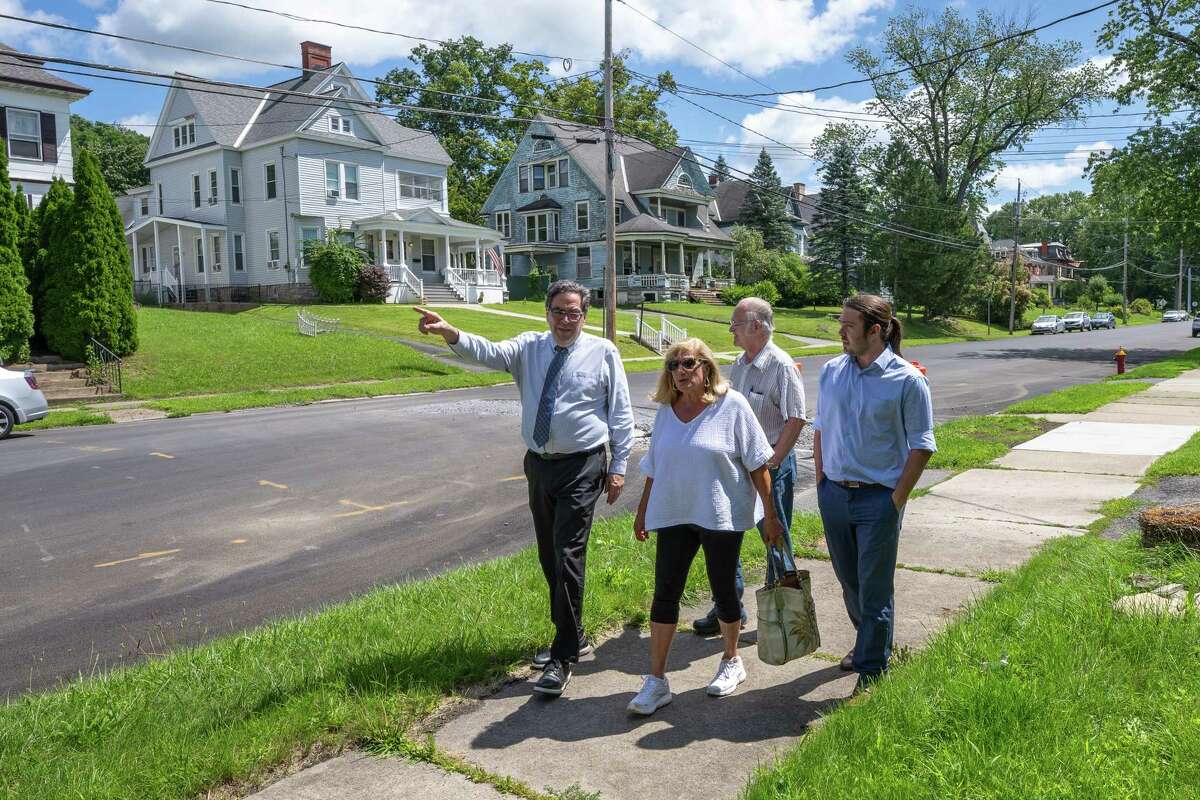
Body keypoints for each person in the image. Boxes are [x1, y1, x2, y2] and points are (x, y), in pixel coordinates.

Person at [413, 281, 634, 698]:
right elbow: (489, 352)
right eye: (558, 311)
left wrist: (619, 467)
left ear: (584, 316)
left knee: (568, 555)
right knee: (550, 556)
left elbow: (620, 413)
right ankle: (576, 633)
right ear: (547, 313)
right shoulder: (528, 348)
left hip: (583, 464)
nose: (565, 320)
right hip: (539, 465)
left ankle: (563, 655)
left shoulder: (602, 352)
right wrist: (451, 332)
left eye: (573, 313)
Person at [628, 338, 784, 715]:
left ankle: (732, 660)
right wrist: (643, 510)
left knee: (724, 590)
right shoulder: (666, 411)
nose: (680, 372)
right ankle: (657, 680)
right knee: (665, 592)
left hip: (721, 514)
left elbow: (758, 464)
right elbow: (654, 466)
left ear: (707, 368)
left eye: (688, 364)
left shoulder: (733, 406)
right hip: (674, 512)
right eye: (673, 366)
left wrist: (771, 514)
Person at [813, 294, 936, 694]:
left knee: (875, 586)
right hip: (834, 495)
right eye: (841, 323)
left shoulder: (907, 380)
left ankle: (871, 673)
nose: (841, 331)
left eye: (849, 325)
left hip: (877, 499)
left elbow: (922, 445)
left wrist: (895, 500)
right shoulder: (831, 371)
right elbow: (820, 429)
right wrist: (821, 482)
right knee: (850, 582)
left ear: (875, 330)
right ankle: (869, 642)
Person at [692, 297, 807, 635]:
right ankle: (730, 608)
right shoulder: (741, 363)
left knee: (774, 537)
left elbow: (796, 419)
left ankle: (782, 615)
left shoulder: (781, 366)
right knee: (725, 537)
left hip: (770, 466)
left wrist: (773, 461)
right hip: (737, 467)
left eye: (736, 324)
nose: (731, 330)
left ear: (756, 326)